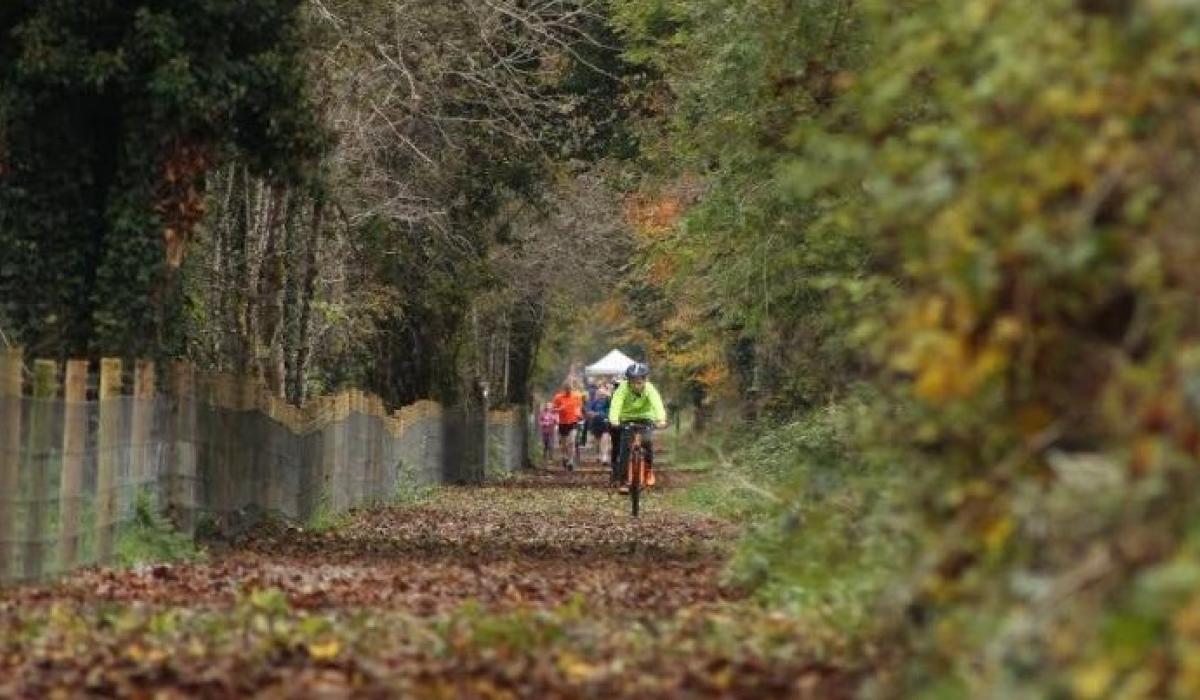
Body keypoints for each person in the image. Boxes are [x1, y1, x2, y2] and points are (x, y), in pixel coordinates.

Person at [608, 363, 667, 493]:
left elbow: (657, 403)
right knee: (624, 448)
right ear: (628, 381)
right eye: (633, 382)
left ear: (645, 380)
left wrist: (661, 419)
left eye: (639, 382)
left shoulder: (650, 389)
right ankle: (623, 481)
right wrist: (614, 420)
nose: (636, 385)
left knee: (648, 444)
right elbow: (616, 404)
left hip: (645, 418)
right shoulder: (622, 388)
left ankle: (648, 471)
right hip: (626, 419)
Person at [551, 383, 584, 470]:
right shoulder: (558, 397)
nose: (568, 392)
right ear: (563, 390)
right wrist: (559, 409)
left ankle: (571, 461)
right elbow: (552, 409)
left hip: (573, 422)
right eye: (566, 391)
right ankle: (564, 456)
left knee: (572, 441)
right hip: (562, 423)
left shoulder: (576, 397)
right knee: (564, 443)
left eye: (569, 390)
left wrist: (579, 414)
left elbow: (578, 407)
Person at [586, 384, 612, 464]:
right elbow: (589, 411)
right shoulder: (594, 402)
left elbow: (612, 407)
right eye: (600, 392)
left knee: (605, 439)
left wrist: (609, 395)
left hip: (605, 422)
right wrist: (593, 414)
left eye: (603, 392)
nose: (601, 394)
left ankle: (604, 456)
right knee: (597, 441)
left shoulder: (608, 401)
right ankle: (599, 455)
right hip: (596, 423)